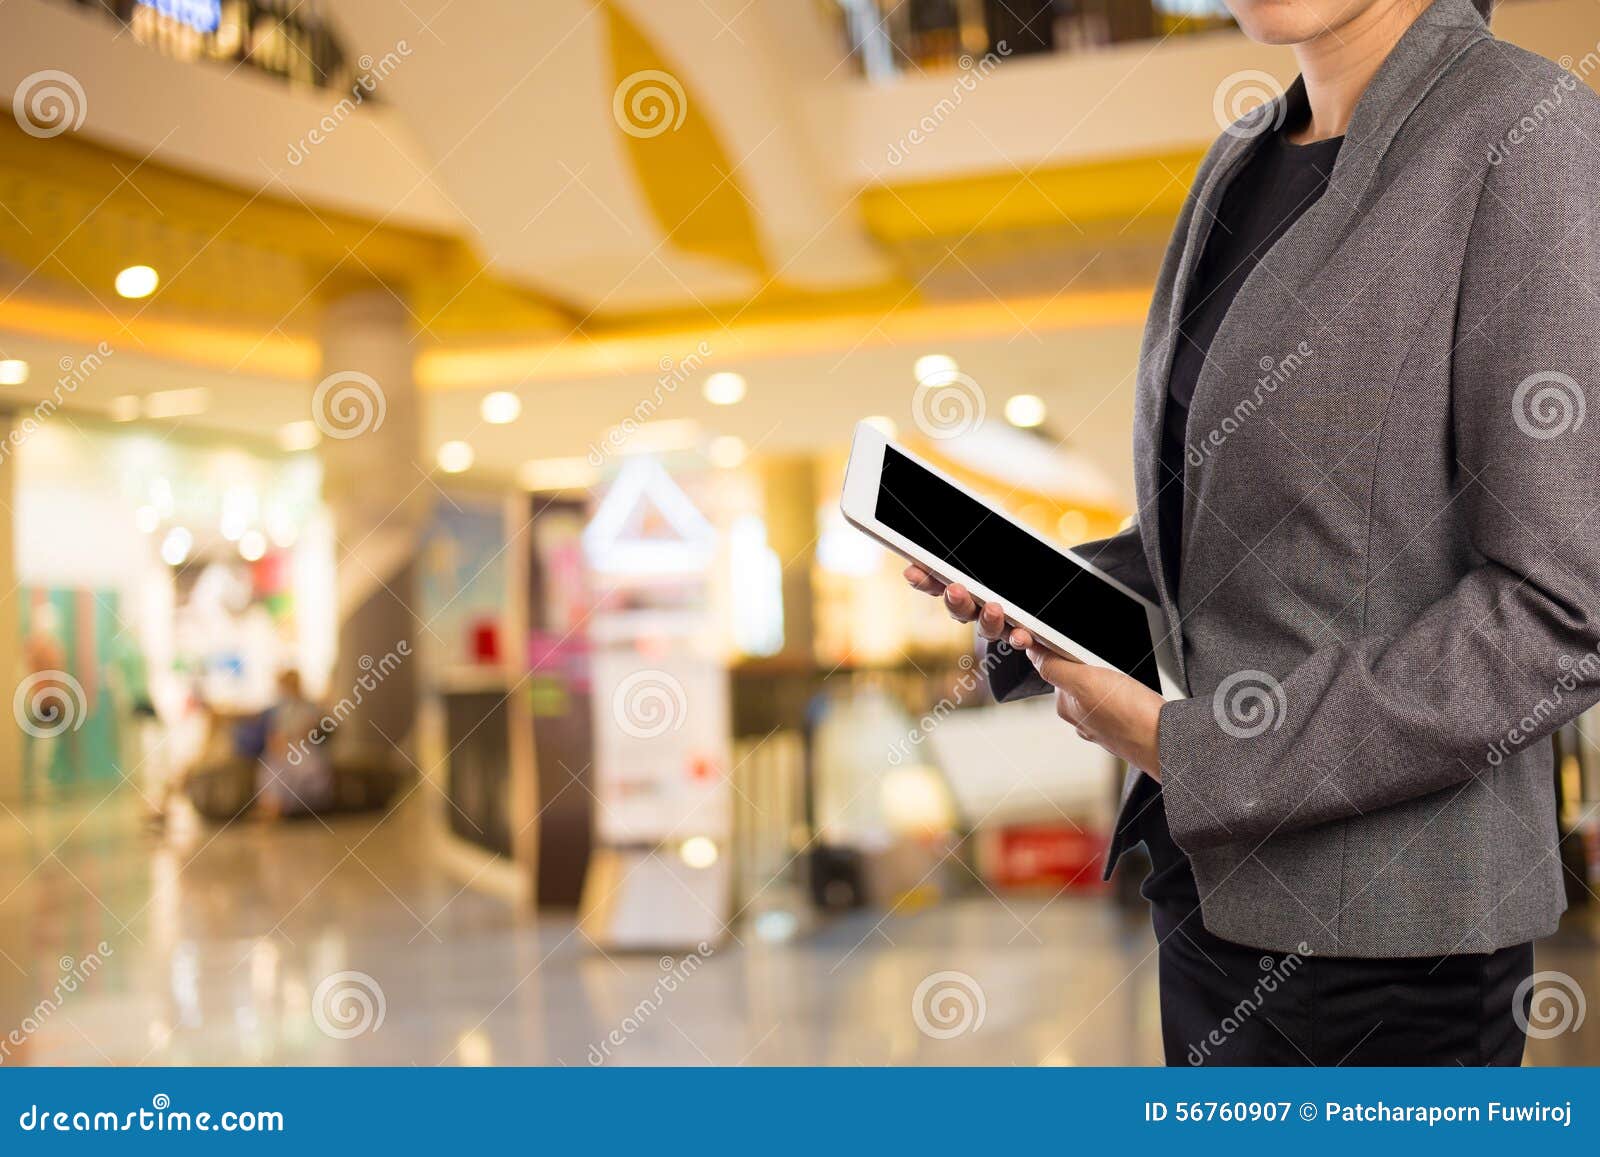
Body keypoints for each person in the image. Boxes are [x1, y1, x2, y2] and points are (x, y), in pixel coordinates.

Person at [904, 0, 1600, 1065]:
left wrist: (1192, 748)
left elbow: (1561, 613)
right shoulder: (1242, 159)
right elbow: (1213, 539)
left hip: (1390, 949)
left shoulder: (1527, 130)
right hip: (1207, 900)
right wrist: (1037, 591)